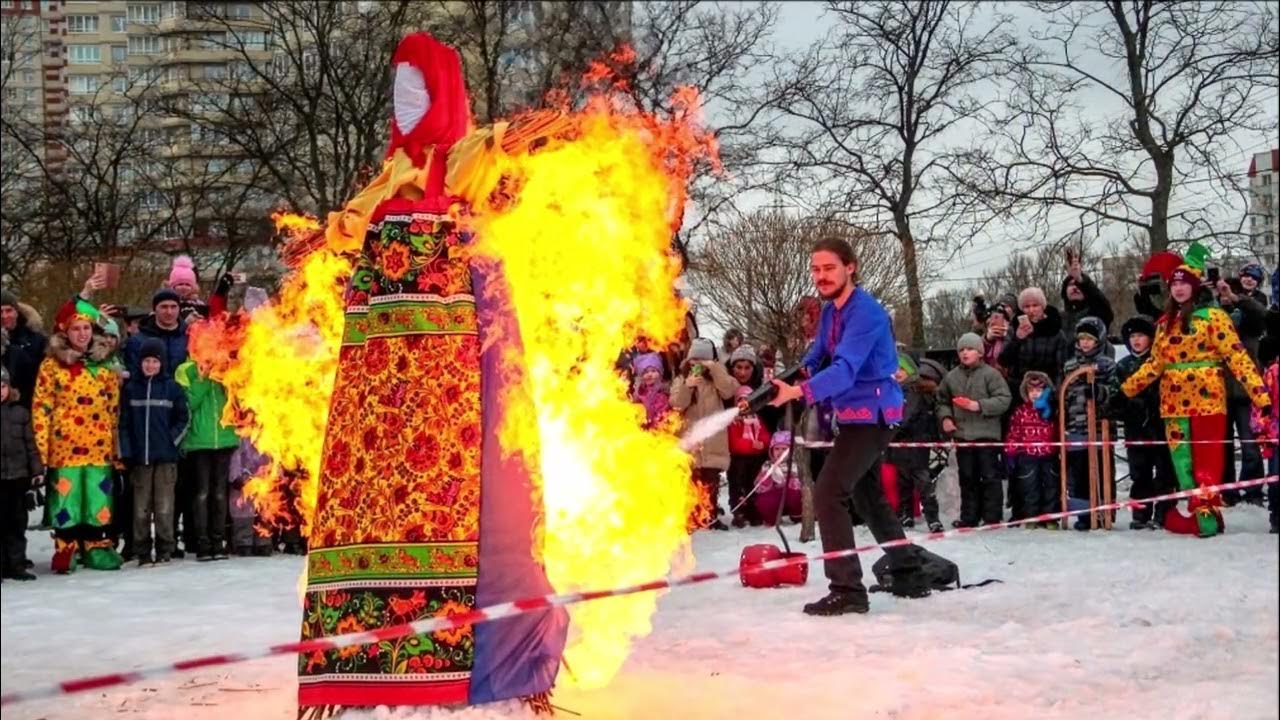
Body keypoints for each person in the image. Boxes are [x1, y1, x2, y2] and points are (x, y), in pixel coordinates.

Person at [766, 235, 931, 616]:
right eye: (816, 269)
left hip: (873, 415)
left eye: (829, 268)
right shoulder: (831, 312)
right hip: (852, 416)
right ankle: (909, 573)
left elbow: (844, 369)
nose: (821, 276)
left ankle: (848, 590)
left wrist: (799, 392)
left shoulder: (867, 312)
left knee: (829, 493)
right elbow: (819, 354)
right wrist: (794, 374)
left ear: (850, 267)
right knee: (865, 495)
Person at [1120, 247, 1271, 537]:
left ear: (1195, 286)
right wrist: (1124, 392)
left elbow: (1238, 358)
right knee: (1183, 465)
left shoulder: (1213, 317)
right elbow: (1154, 365)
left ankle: (1207, 515)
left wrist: (1260, 395)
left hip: (1208, 402)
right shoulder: (1165, 324)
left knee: (1207, 463)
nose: (1178, 289)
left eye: (1183, 283)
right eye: (1174, 284)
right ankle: (1200, 513)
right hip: (1173, 405)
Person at [32, 295, 123, 572]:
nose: (82, 334)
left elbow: (113, 409)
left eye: (86, 328)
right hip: (64, 448)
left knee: (98, 498)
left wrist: (115, 449)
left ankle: (96, 548)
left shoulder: (106, 365)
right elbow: (41, 407)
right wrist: (43, 449)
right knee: (66, 499)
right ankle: (66, 549)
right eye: (75, 329)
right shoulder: (51, 366)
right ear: (65, 332)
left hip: (99, 448)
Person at [119, 338, 188, 566]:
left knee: (164, 507)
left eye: (154, 361)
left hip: (166, 458)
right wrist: (127, 450)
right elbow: (124, 423)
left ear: (162, 363)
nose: (150, 365)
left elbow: (183, 418)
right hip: (140, 458)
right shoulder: (131, 389)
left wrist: (172, 441)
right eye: (146, 361)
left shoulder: (172, 388)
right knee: (140, 508)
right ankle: (142, 549)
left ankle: (165, 546)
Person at [938, 333, 1012, 527]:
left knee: (989, 476)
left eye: (969, 349)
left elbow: (1004, 399)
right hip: (962, 435)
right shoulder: (951, 377)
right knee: (967, 477)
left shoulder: (991, 374)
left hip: (987, 436)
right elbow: (941, 401)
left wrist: (978, 405)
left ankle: (992, 516)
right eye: (961, 350)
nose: (965, 353)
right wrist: (946, 418)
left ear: (979, 352)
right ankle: (969, 516)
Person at [1111, 316, 1175, 529]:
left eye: (1141, 336)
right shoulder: (1122, 366)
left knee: (1165, 472)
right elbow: (1116, 397)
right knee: (1139, 473)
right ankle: (1140, 514)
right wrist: (1127, 407)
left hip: (1160, 426)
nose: (1136, 340)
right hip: (1135, 428)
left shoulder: (1160, 361)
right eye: (1132, 336)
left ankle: (1165, 513)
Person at [174, 354, 239, 561]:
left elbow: (238, 402)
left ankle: (218, 542)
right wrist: (202, 379)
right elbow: (186, 405)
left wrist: (225, 378)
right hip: (198, 442)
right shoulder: (185, 370)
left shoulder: (227, 368)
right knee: (201, 493)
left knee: (220, 493)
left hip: (225, 440)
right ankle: (202, 543)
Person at [670, 337, 738, 530]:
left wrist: (715, 369)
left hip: (713, 440)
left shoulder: (717, 379)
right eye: (694, 360)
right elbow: (676, 403)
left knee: (711, 481)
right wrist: (688, 385)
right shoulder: (681, 379)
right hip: (691, 440)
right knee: (692, 481)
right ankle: (691, 517)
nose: (697, 364)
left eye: (703, 360)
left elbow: (728, 391)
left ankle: (710, 515)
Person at [1213, 274, 1268, 505]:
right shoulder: (1213, 320)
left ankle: (1253, 489)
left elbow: (1261, 315)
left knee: (1250, 445)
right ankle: (1228, 491)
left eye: (1227, 293)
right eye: (1220, 294)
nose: (1223, 298)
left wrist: (1236, 298)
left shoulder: (1249, 322)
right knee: (1222, 446)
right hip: (1219, 391)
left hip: (1246, 392)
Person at [1060, 317, 1119, 530]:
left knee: (1102, 472)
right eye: (1082, 338)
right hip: (1076, 427)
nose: (1085, 343)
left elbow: (1116, 394)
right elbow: (1064, 396)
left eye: (1090, 338)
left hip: (1100, 427)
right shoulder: (1070, 365)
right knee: (1080, 473)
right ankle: (1085, 514)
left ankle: (1104, 512)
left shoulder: (1107, 365)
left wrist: (1099, 393)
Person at [888, 353, 944, 531]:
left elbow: (906, 417)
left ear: (910, 371)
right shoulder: (895, 390)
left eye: (902, 369)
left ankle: (933, 518)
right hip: (900, 444)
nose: (897, 372)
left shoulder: (914, 392)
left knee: (923, 481)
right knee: (903, 481)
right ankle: (906, 514)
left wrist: (890, 430)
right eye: (895, 369)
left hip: (916, 442)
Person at [1, 366, 43, 581]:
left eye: (2, 386)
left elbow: (31, 445)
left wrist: (36, 471)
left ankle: (16, 564)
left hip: (18, 477)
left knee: (17, 523)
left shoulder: (20, 412)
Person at [1004, 371, 1058, 528]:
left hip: (1049, 455)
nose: (1035, 394)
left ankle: (1050, 517)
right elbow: (1013, 432)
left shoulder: (1052, 412)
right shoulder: (1021, 411)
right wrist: (1010, 452)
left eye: (1039, 390)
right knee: (1029, 487)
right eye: (1031, 391)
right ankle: (1031, 517)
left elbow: (1059, 432)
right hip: (1027, 456)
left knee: (1051, 487)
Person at [999, 287, 1070, 391]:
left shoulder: (1056, 332)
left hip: (1047, 388)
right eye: (1026, 307)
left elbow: (1061, 368)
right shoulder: (1014, 329)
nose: (1031, 310)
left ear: (1043, 307)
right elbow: (1003, 360)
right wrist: (1017, 339)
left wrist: (1057, 392)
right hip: (1018, 387)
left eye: (1035, 305)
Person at [1, 289, 48, 411]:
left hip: (27, 407)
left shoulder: (37, 339)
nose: (4, 316)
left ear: (17, 311)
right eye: (0, 311)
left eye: (8, 310)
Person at [752, 430, 803, 525]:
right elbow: (758, 486)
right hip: (775, 496)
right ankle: (773, 520)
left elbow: (805, 483)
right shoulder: (768, 465)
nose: (780, 452)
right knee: (763, 501)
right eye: (777, 449)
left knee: (797, 495)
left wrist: (792, 480)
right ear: (772, 450)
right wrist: (766, 480)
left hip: (791, 495)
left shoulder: (797, 464)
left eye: (784, 449)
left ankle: (797, 516)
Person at [1060, 255, 1115, 337]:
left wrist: (1080, 279)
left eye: (1078, 285)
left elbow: (1101, 302)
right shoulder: (1059, 319)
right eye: (1071, 285)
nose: (1075, 287)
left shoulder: (1098, 313)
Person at [629, 351, 670, 429]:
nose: (649, 374)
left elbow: (663, 416)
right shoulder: (640, 392)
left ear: (660, 373)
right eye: (645, 372)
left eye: (653, 371)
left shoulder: (663, 393)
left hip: (658, 431)